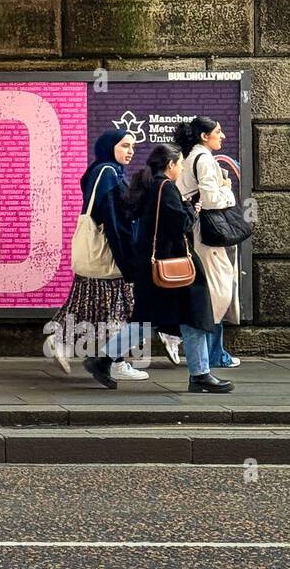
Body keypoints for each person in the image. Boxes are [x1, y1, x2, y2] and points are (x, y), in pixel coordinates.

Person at [88, 144, 234, 394]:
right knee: (195, 315)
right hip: (173, 267)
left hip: (153, 266)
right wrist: (192, 209)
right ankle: (200, 375)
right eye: (179, 165)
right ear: (170, 165)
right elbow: (179, 225)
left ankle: (103, 359)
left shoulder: (151, 187)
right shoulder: (166, 188)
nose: (181, 169)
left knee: (149, 317)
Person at [46, 130, 149, 380]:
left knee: (93, 308)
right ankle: (113, 362)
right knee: (122, 311)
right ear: (109, 147)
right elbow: (114, 221)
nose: (130, 151)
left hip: (99, 258)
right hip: (109, 257)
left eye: (132, 146)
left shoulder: (103, 171)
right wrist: (128, 260)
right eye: (125, 145)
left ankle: (64, 341)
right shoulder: (108, 174)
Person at [174, 117, 241, 370]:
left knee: (213, 292)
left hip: (199, 232)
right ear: (204, 136)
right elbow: (212, 199)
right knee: (216, 294)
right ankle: (212, 356)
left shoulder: (194, 158)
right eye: (218, 132)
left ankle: (214, 353)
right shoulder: (204, 160)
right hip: (205, 234)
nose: (222, 136)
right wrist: (228, 189)